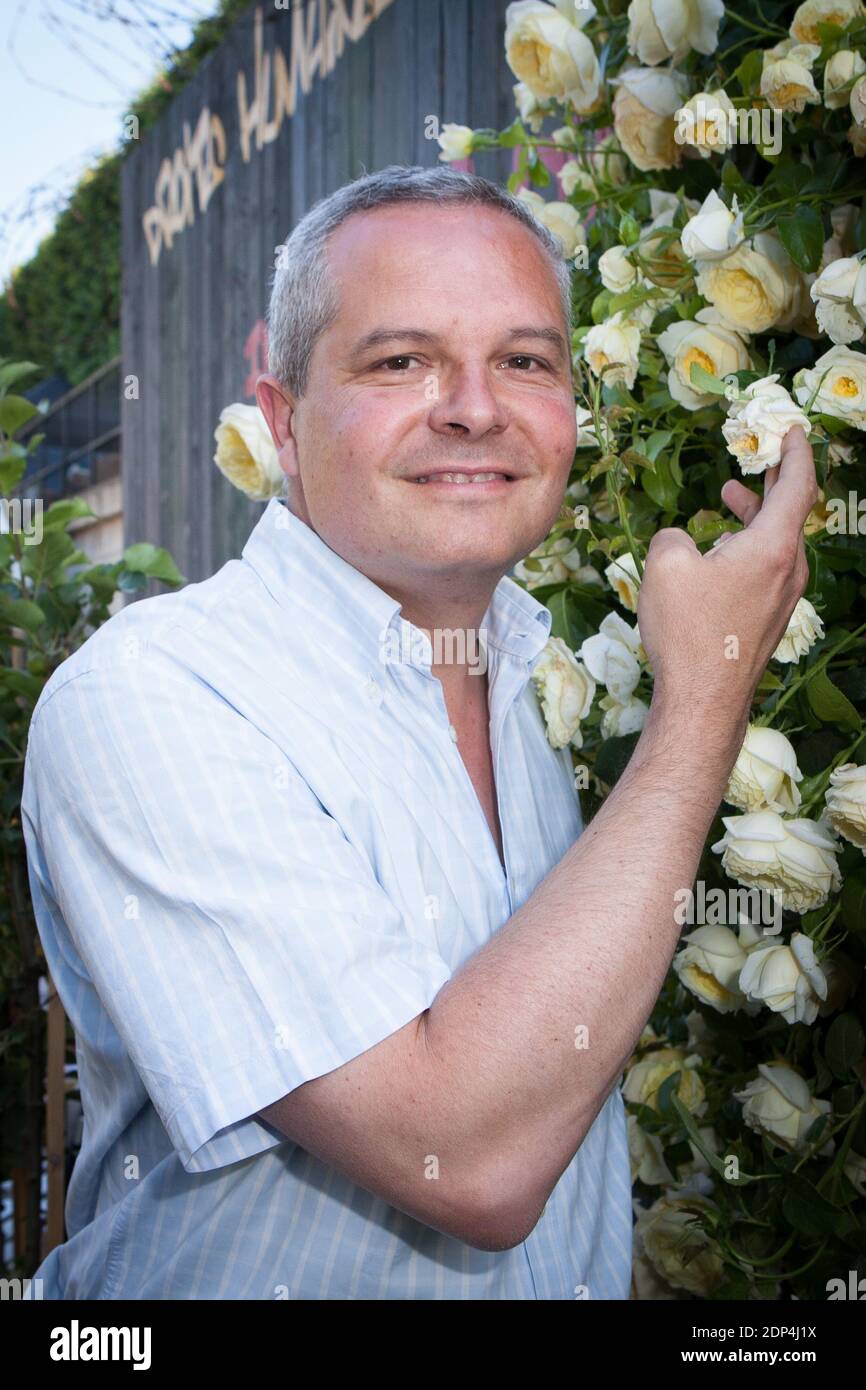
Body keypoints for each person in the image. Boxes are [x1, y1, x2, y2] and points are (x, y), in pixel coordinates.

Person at [21, 165, 817, 1300]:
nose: (474, 408)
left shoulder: (531, 686)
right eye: (401, 361)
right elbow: (473, 1162)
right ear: (283, 418)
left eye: (524, 362)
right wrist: (705, 697)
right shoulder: (156, 697)